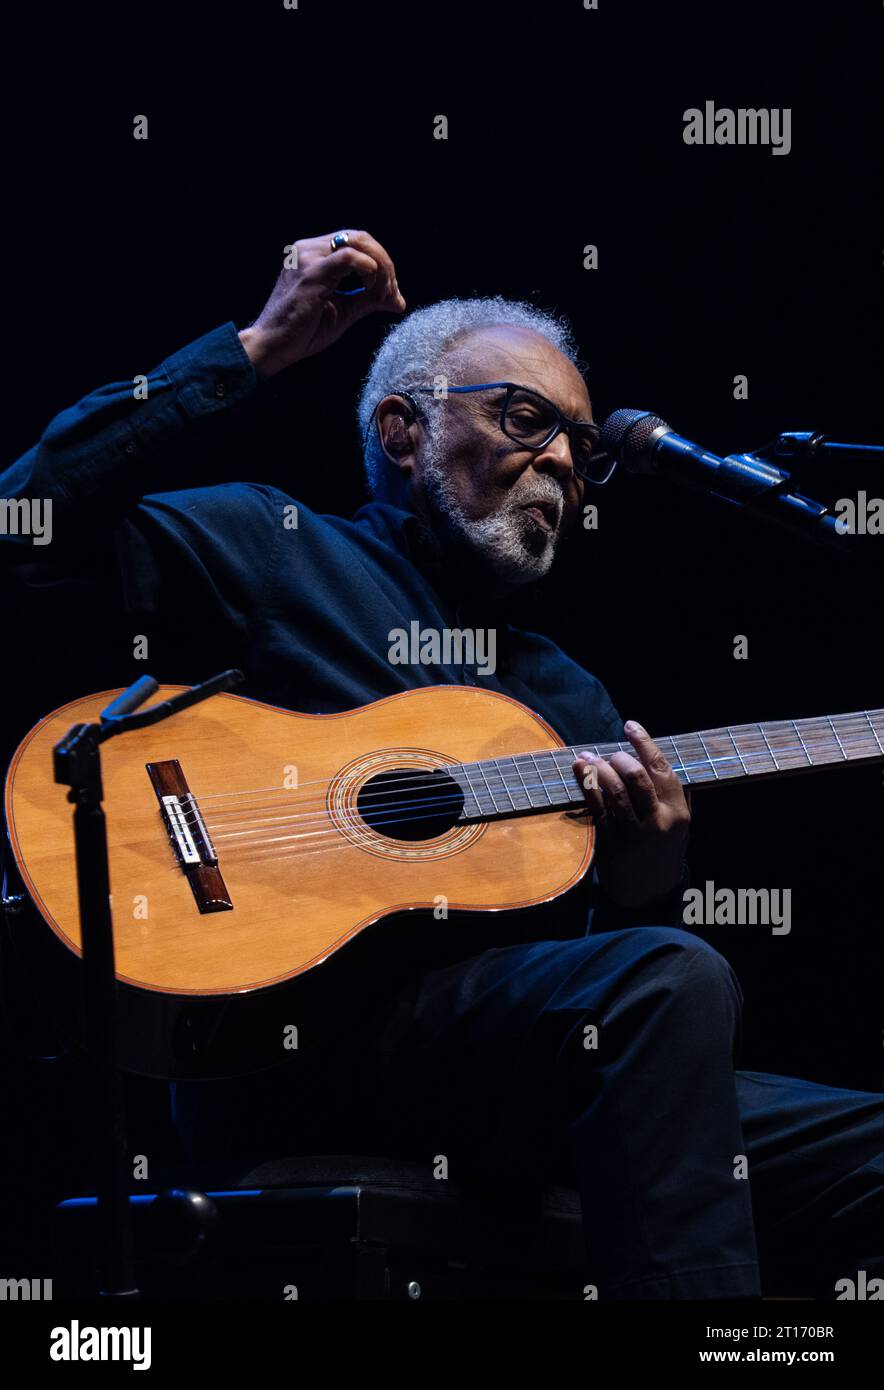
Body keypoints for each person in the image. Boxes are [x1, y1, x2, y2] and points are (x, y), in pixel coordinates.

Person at [4, 228, 884, 1300]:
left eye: (580, 445)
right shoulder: (274, 548)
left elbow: (586, 979)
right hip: (289, 1054)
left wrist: (645, 882)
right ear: (404, 432)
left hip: (492, 1084)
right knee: (667, 977)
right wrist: (257, 347)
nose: (561, 459)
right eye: (525, 420)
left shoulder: (569, 700)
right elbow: (27, 527)